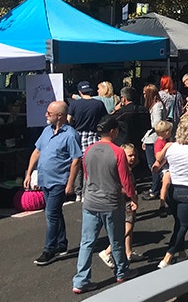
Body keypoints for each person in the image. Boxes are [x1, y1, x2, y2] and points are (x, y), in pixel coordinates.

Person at [72, 117, 138, 294]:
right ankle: (122, 271)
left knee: (87, 242)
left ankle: (80, 280)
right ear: (112, 131)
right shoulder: (118, 152)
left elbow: (86, 175)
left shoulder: (89, 151)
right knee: (116, 239)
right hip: (111, 202)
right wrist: (132, 198)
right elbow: (125, 180)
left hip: (91, 201)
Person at [24, 100, 82, 266]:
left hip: (59, 181)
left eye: (49, 113)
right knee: (55, 213)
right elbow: (37, 151)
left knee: (51, 215)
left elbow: (76, 159)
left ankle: (49, 249)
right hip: (45, 179)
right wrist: (29, 173)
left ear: (60, 116)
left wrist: (70, 183)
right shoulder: (46, 131)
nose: (46, 115)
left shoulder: (71, 135)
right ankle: (61, 243)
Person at [151, 115, 188, 268]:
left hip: (171, 191)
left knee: (178, 223)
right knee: (183, 226)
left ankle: (180, 252)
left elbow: (157, 164)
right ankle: (167, 257)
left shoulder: (170, 147)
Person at [98, 143, 140, 268]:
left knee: (130, 228)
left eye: (134, 155)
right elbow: (119, 187)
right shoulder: (121, 170)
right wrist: (132, 194)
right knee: (126, 229)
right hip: (126, 202)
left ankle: (128, 253)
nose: (132, 158)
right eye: (129, 155)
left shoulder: (128, 168)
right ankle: (107, 252)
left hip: (127, 201)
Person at [140, 84, 164, 200]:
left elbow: (156, 124)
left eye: (145, 93)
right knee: (152, 165)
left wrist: (146, 134)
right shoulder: (154, 106)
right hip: (150, 138)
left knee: (154, 165)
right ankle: (154, 187)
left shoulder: (157, 106)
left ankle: (155, 190)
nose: (144, 95)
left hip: (153, 139)